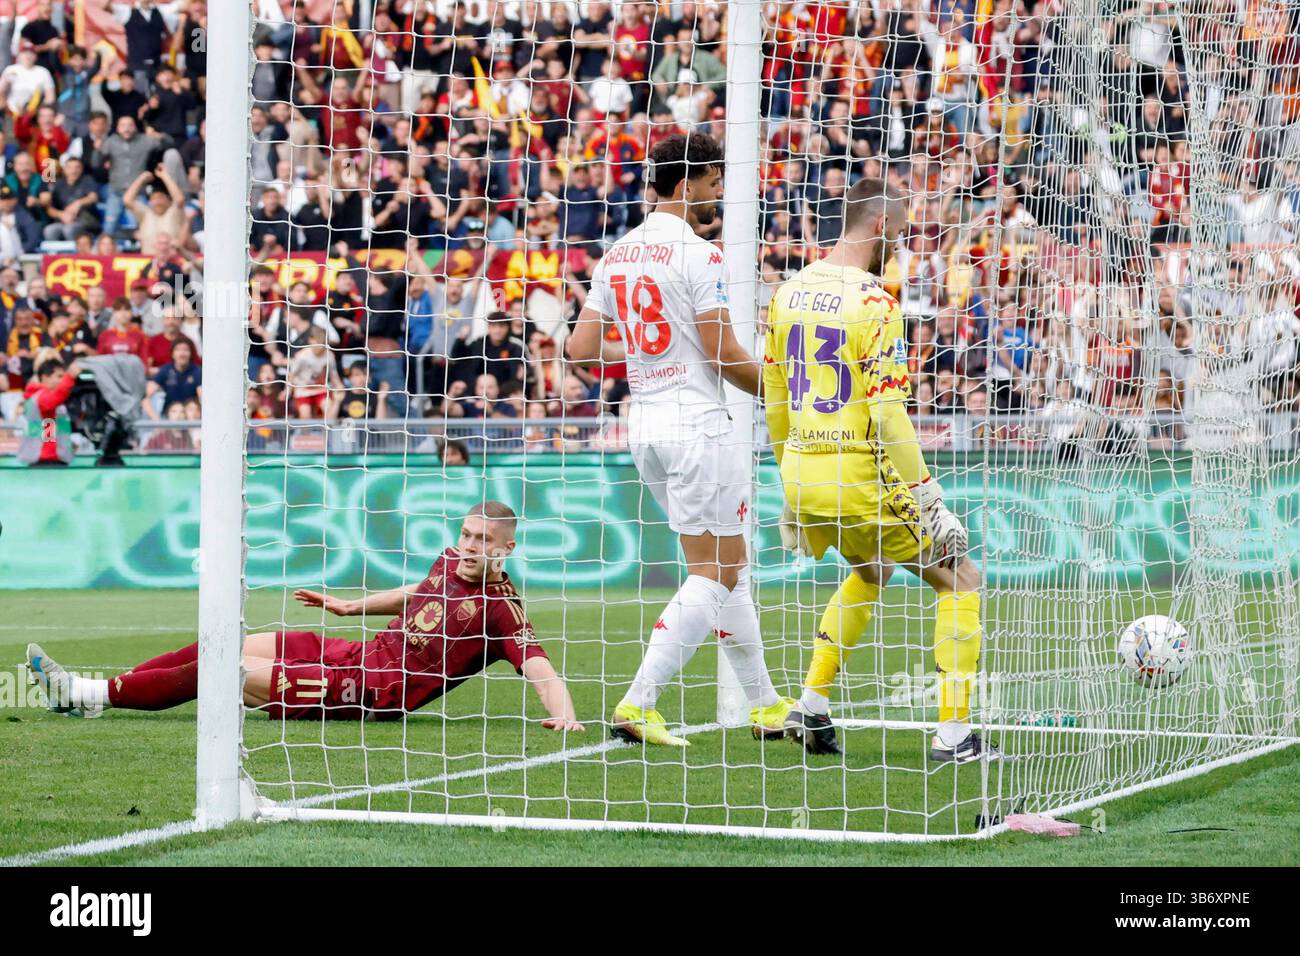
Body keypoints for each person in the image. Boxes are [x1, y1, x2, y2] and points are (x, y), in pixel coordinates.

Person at [568, 133, 792, 746]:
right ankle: (639, 702)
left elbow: (580, 350)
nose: (720, 191)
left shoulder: (617, 254)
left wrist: (649, 350)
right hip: (697, 423)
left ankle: (766, 704)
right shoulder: (702, 255)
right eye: (714, 180)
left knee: (729, 565)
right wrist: (789, 389)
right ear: (687, 182)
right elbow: (722, 353)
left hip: (646, 425)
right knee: (715, 571)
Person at [763, 177, 994, 762]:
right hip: (859, 474)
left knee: (873, 570)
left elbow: (773, 398)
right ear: (880, 226)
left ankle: (810, 706)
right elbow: (889, 415)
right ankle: (954, 735)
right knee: (960, 579)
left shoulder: (788, 291)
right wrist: (926, 494)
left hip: (800, 469)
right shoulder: (874, 303)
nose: (903, 241)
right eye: (901, 231)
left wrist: (788, 485)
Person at [28, 502, 585, 731]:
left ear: (505, 549)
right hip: (357, 654)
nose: (467, 545)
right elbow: (413, 594)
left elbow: (539, 668)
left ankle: (83, 692)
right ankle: (98, 695)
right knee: (224, 642)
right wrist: (348, 606)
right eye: (464, 534)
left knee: (227, 670)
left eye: (482, 540)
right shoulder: (447, 561)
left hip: (372, 689)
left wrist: (564, 715)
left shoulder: (502, 611)